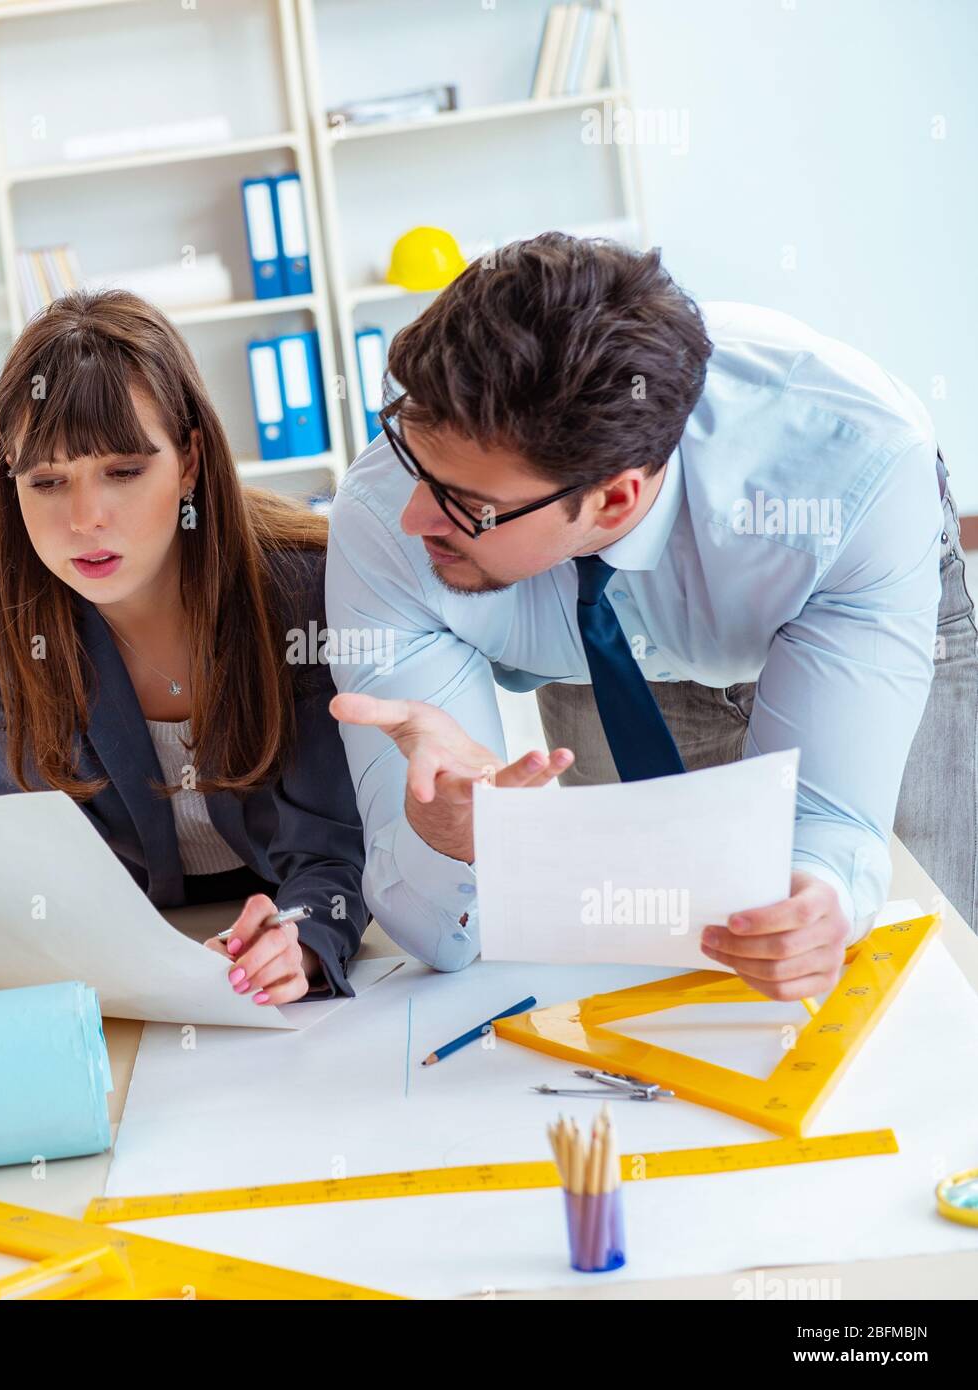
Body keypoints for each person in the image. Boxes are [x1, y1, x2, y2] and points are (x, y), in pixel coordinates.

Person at [326, 232, 975, 1002]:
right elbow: (438, 935)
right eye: (412, 461)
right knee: (655, 938)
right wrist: (455, 845)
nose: (412, 518)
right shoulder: (382, 520)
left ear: (613, 499)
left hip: (825, 592)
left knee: (933, 939)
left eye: (467, 507)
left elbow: (834, 825)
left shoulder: (854, 471)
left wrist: (818, 901)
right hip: (591, 653)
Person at [0, 289, 368, 1004]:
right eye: (46, 481)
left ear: (189, 459)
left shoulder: (304, 592)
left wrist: (303, 939)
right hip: (125, 976)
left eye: (123, 471)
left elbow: (337, 848)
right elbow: (34, 868)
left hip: (283, 972)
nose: (84, 518)